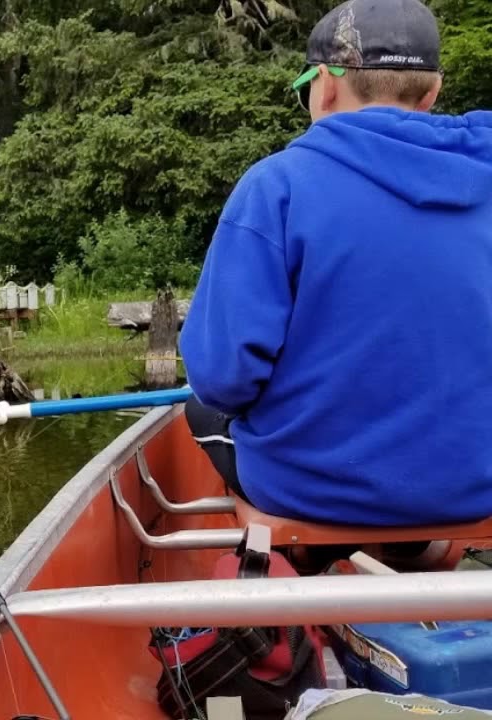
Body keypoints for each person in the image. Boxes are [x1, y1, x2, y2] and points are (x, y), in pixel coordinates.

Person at [180, 0, 492, 528]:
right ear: (433, 92)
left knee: (201, 410)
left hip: (316, 490)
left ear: (324, 84)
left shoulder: (275, 187)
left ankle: (288, 547)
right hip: (478, 487)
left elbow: (222, 379)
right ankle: (420, 547)